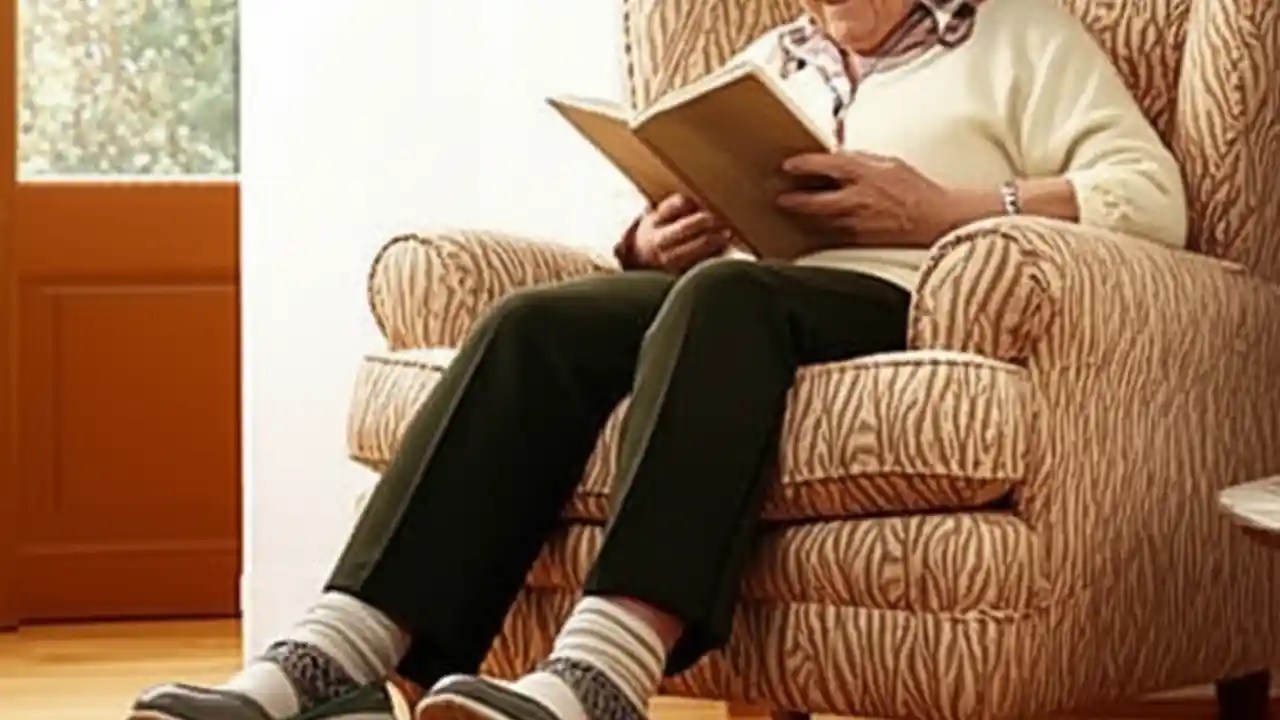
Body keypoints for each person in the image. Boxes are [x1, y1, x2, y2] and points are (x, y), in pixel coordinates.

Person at [130, 0, 1187, 718]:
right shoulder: (772, 58)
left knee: (726, 296)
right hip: (745, 292)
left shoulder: (1017, 35)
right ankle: (336, 655)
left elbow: (1149, 194)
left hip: (913, 295)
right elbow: (664, 204)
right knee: (541, 321)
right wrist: (646, 240)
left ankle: (603, 670)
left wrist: (939, 205)